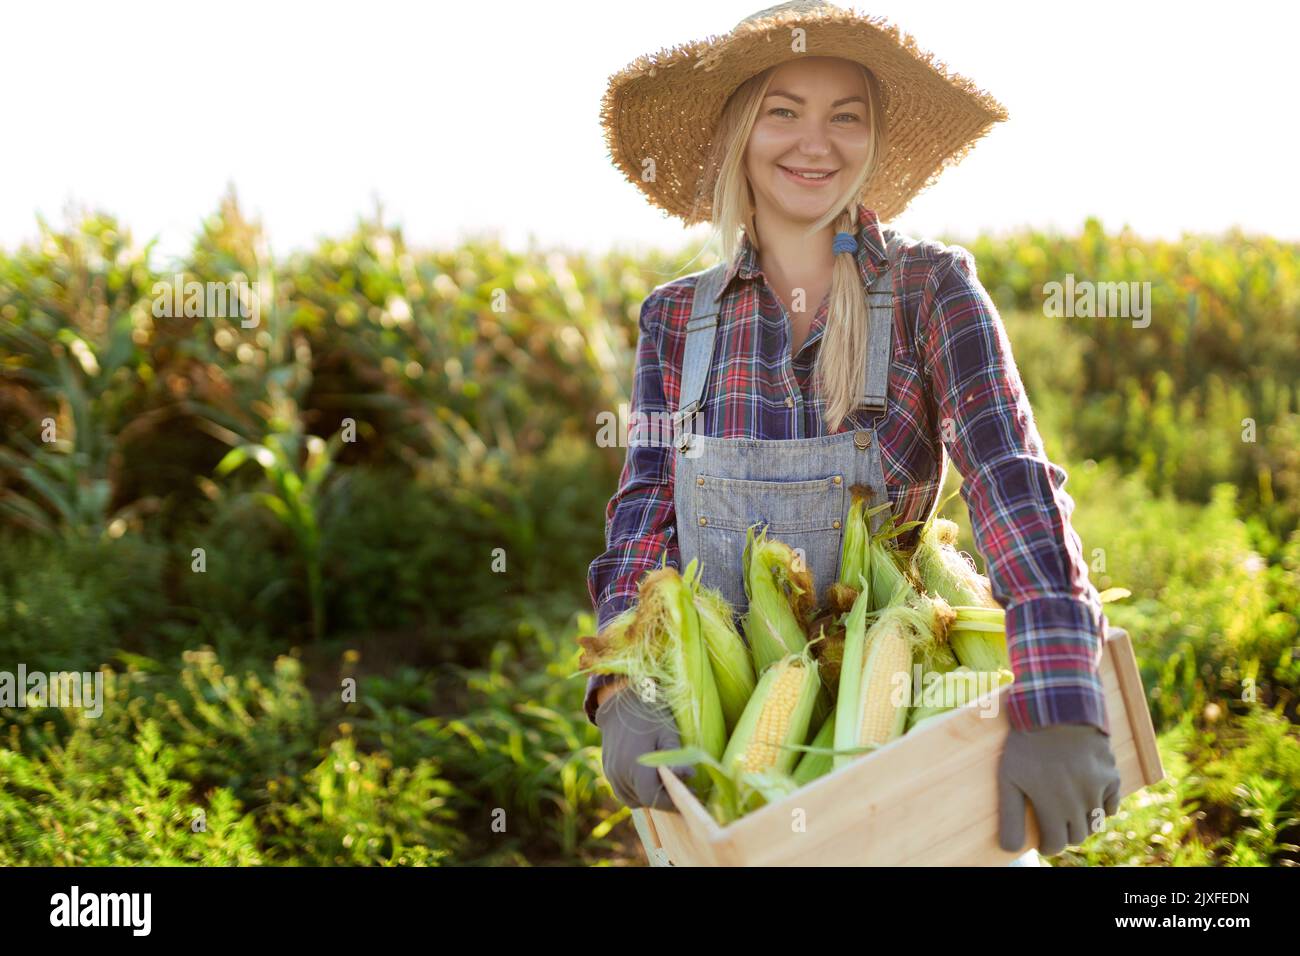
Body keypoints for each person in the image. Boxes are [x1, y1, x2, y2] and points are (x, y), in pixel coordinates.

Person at [585, 0, 1121, 866]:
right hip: (726, 737)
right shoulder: (674, 318)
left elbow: (1009, 478)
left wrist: (1062, 702)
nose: (815, 143)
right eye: (783, 111)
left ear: (873, 140)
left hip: (901, 724)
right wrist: (621, 677)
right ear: (737, 131)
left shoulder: (931, 289)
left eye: (847, 116)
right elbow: (646, 503)